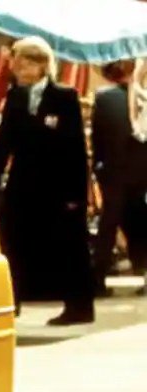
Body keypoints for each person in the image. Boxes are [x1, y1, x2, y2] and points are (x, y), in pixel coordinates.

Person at [0, 36, 93, 324]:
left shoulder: (65, 97)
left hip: (57, 188)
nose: (17, 69)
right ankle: (12, 303)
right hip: (22, 185)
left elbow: (75, 150)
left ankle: (79, 307)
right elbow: (3, 143)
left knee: (69, 246)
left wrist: (77, 195)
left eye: (23, 63)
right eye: (16, 64)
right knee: (14, 243)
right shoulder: (15, 97)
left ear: (40, 65)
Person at [91, 60, 147, 297]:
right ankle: (143, 271)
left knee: (109, 224)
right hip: (141, 172)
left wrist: (99, 168)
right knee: (138, 223)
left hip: (114, 172)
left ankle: (98, 279)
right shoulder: (141, 98)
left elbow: (98, 139)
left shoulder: (104, 98)